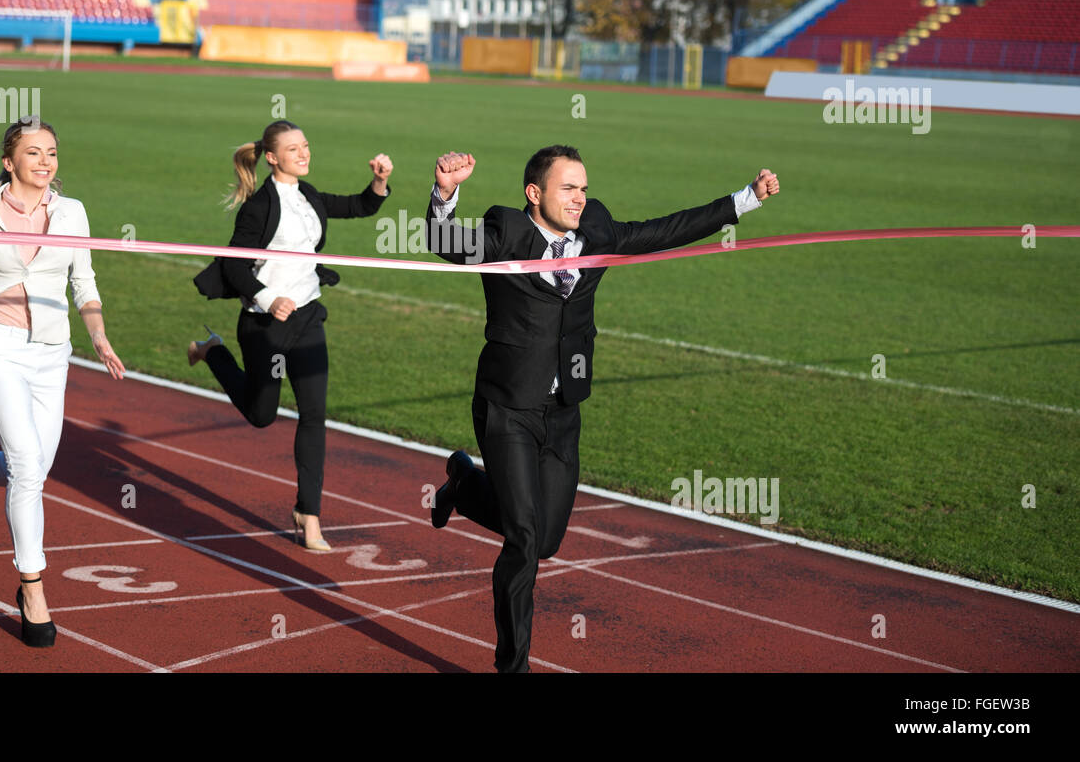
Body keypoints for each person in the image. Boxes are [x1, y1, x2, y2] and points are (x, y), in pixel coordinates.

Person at [426, 145, 780, 672]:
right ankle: (512, 666)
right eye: (568, 188)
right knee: (523, 541)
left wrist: (744, 199)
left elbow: (663, 230)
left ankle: (464, 484)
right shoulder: (504, 231)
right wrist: (445, 194)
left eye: (584, 188)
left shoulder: (596, 228)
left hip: (564, 408)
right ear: (535, 193)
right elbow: (446, 244)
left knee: (545, 540)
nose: (579, 198)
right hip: (508, 406)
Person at [0, 117, 125, 649]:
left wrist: (99, 335)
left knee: (35, 465)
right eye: (33, 153)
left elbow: (83, 280)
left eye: (52, 153)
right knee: (26, 468)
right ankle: (32, 587)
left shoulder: (72, 212)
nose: (45, 162)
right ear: (9, 162)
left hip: (52, 353)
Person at [188, 120, 391, 552]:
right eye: (293, 149)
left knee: (313, 414)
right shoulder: (259, 208)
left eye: (306, 146)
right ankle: (215, 352)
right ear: (273, 157)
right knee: (262, 414)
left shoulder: (310, 195)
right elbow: (232, 265)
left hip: (308, 318)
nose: (304, 154)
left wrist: (378, 183)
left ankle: (309, 513)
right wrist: (266, 299)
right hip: (264, 324)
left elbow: (358, 206)